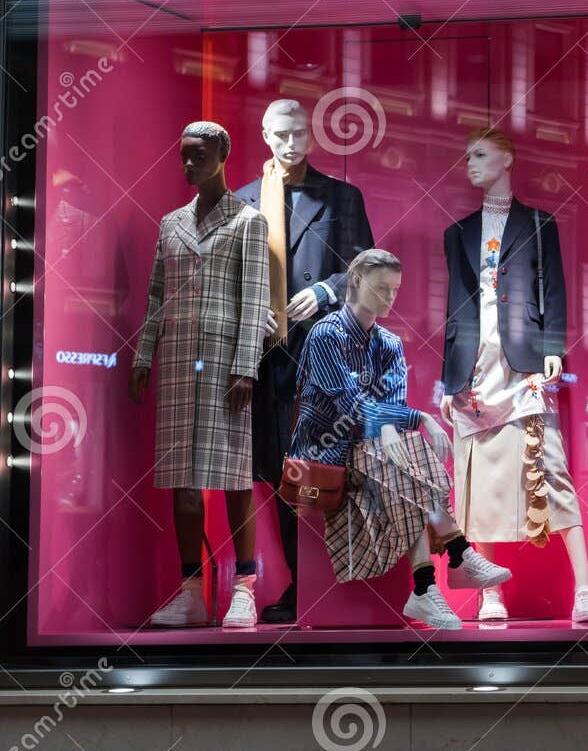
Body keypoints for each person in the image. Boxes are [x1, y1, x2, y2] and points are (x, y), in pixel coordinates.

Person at [289, 248, 509, 630]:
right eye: (382, 288)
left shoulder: (389, 344)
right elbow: (352, 409)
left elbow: (389, 410)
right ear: (355, 282)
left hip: (371, 451)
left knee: (397, 459)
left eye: (395, 290)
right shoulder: (326, 335)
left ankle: (427, 586)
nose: (390, 298)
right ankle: (456, 557)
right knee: (397, 455)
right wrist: (420, 417)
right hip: (325, 451)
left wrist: (400, 425)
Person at [440, 127, 588, 624]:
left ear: (507, 159)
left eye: (481, 154)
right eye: (467, 156)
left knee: (549, 471)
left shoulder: (537, 222)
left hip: (523, 362)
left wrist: (554, 346)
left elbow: (554, 286)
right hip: (475, 364)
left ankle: (585, 590)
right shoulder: (458, 232)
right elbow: (455, 306)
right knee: (481, 479)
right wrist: (452, 377)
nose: (470, 163)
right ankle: (491, 595)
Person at [236, 98, 375, 624]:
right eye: (280, 135)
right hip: (268, 357)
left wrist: (324, 290)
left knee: (331, 468)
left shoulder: (341, 197)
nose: (291, 144)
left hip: (323, 352)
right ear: (265, 135)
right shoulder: (244, 202)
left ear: (311, 134)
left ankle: (336, 582)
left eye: (299, 133)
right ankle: (302, 583)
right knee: (279, 474)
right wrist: (255, 315)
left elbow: (368, 268)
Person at [131, 121, 270, 628]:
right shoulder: (171, 223)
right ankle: (191, 591)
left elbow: (254, 299)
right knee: (181, 483)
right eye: (184, 155)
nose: (189, 164)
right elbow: (155, 295)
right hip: (177, 362)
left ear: (222, 156)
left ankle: (244, 588)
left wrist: (246, 369)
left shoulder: (247, 221)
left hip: (226, 365)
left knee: (233, 477)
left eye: (200, 155)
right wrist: (144, 355)